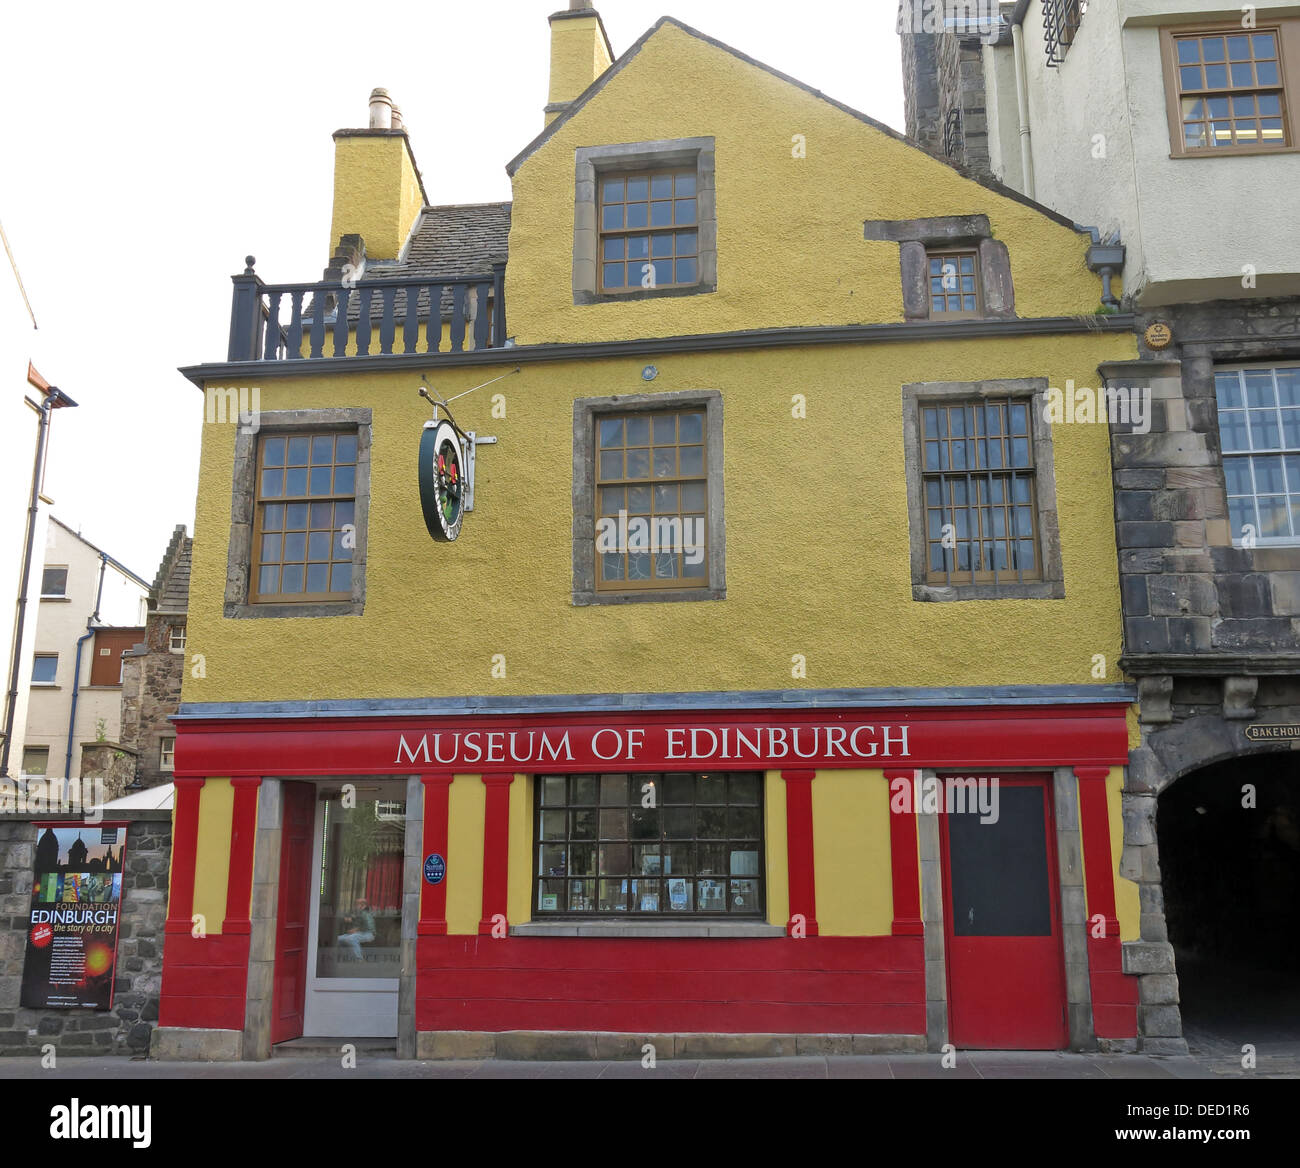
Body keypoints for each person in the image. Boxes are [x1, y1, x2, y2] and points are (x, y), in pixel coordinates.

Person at [336, 897, 375, 963]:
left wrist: (355, 930)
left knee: (352, 938)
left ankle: (360, 959)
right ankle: (345, 958)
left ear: (362, 905)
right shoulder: (360, 912)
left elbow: (366, 926)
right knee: (339, 939)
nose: (355, 906)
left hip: (369, 934)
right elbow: (356, 920)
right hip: (360, 933)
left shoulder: (366, 913)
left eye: (356, 904)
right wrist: (349, 920)